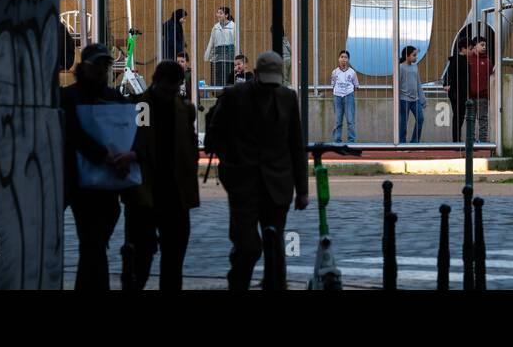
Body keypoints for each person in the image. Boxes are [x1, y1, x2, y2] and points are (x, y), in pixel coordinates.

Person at [209, 51, 308, 290]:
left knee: (276, 246)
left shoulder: (287, 97)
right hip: (243, 182)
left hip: (277, 183)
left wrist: (302, 189)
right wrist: (231, 163)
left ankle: (275, 285)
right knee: (247, 244)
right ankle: (239, 283)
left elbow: (296, 144)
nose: (270, 88)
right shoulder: (234, 95)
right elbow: (213, 135)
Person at [61, 43, 136, 290]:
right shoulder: (69, 97)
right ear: (85, 67)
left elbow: (130, 133)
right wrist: (105, 155)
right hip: (80, 183)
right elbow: (72, 133)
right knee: (93, 243)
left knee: (94, 244)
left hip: (108, 181)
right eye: (99, 65)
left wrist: (126, 157)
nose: (103, 70)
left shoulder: (114, 97)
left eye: (106, 65)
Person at [121, 60, 200, 290]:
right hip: (144, 194)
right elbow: (141, 141)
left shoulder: (183, 110)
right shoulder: (141, 106)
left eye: (174, 90)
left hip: (174, 194)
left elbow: (188, 148)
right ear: (156, 82)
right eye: (167, 89)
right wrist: (136, 154)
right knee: (142, 259)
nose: (170, 94)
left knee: (173, 261)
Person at [468, 36, 493, 142]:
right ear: (475, 46)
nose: (484, 47)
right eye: (482, 45)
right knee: (471, 119)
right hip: (470, 95)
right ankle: (471, 141)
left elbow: (491, 76)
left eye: (485, 45)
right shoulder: (469, 60)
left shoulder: (487, 61)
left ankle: (483, 141)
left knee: (483, 119)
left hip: (483, 95)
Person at [398, 45, 424, 144]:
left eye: (416, 55)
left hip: (415, 99)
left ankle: (415, 142)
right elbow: (396, 84)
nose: (416, 57)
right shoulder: (400, 67)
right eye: (414, 55)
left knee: (420, 119)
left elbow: (418, 83)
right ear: (407, 56)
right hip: (404, 99)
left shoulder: (415, 66)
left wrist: (422, 99)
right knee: (404, 122)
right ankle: (402, 142)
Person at [331, 50, 358, 143]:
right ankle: (337, 140)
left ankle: (351, 140)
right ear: (339, 59)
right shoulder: (334, 72)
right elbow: (333, 84)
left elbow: (356, 86)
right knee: (338, 120)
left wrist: (348, 92)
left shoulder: (352, 72)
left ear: (348, 60)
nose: (343, 59)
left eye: (345, 57)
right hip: (337, 97)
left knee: (350, 120)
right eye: (342, 57)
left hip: (349, 96)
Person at [204, 6, 236, 85]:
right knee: (217, 79)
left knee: (228, 77)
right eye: (218, 13)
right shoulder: (215, 27)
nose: (218, 15)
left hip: (230, 56)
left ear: (226, 15)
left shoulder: (233, 26)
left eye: (221, 13)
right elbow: (211, 41)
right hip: (217, 57)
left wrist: (238, 55)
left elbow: (236, 42)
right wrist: (207, 55)